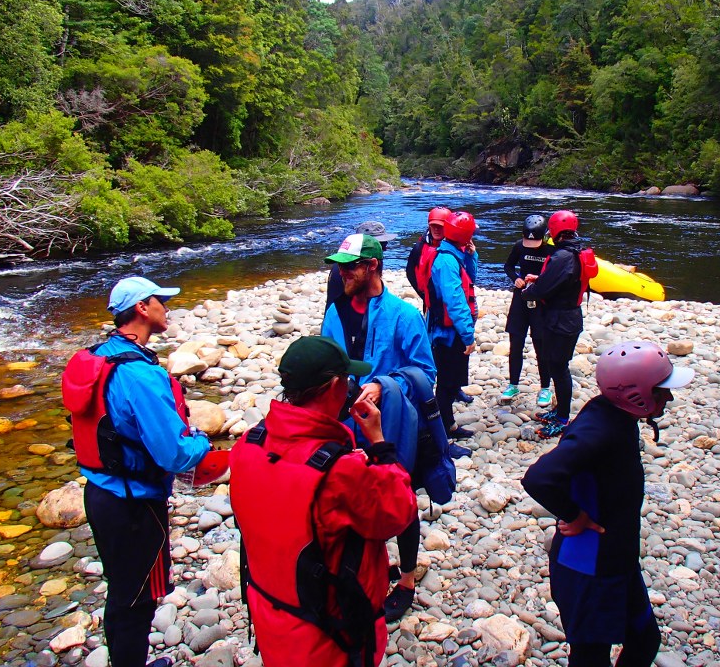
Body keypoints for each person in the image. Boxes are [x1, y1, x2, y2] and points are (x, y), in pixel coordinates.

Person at [229, 336, 417, 667]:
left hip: (271, 612)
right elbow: (399, 511)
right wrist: (379, 443)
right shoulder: (337, 470)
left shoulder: (249, 442)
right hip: (330, 636)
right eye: (346, 380)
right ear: (334, 386)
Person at [62, 276, 211, 667]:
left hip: (100, 493)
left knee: (123, 590)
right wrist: (203, 442)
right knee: (137, 600)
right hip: (134, 505)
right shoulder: (140, 374)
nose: (168, 307)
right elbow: (174, 454)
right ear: (142, 308)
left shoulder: (102, 355)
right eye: (161, 300)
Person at [522, 341, 693, 667]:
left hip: (617, 560)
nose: (668, 398)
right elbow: (539, 477)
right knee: (591, 659)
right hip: (589, 569)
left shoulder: (613, 411)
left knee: (645, 640)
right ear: (635, 393)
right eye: (661, 391)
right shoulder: (601, 430)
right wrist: (576, 515)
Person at [321, 231, 441, 621]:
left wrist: (384, 384)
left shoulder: (404, 315)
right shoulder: (335, 311)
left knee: (401, 500)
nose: (342, 275)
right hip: (346, 423)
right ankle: (365, 568)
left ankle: (406, 579)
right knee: (353, 498)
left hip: (393, 424)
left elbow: (426, 371)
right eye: (339, 268)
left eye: (349, 267)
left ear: (372, 266)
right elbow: (329, 361)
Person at [521, 209, 588, 437]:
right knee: (555, 365)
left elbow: (542, 290)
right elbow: (563, 280)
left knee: (559, 369)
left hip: (561, 321)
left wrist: (527, 291)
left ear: (556, 231)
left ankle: (562, 419)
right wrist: (540, 279)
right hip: (568, 317)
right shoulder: (575, 251)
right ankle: (560, 410)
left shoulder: (562, 256)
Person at [406, 206, 476, 405]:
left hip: (453, 317)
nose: (436, 229)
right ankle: (445, 417)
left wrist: (472, 256)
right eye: (433, 226)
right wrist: (428, 297)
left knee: (456, 360)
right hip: (443, 317)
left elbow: (469, 279)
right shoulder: (432, 251)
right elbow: (413, 273)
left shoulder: (455, 249)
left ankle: (455, 389)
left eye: (440, 226)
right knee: (445, 364)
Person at [425, 210, 479, 440]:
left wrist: (471, 255)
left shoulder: (454, 253)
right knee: (447, 385)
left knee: (451, 381)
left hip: (451, 332)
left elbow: (471, 278)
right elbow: (455, 302)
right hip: (447, 335)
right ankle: (444, 429)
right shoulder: (447, 260)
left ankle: (445, 425)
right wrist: (468, 335)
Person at [501, 214, 553, 406]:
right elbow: (508, 266)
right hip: (520, 298)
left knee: (541, 345)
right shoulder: (519, 246)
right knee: (516, 343)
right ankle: (513, 384)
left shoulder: (551, 249)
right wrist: (516, 278)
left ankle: (545, 388)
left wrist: (539, 279)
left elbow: (555, 275)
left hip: (540, 301)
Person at [324, 220, 397, 312]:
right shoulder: (345, 271)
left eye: (385, 243)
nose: (385, 248)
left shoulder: (345, 267)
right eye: (381, 245)